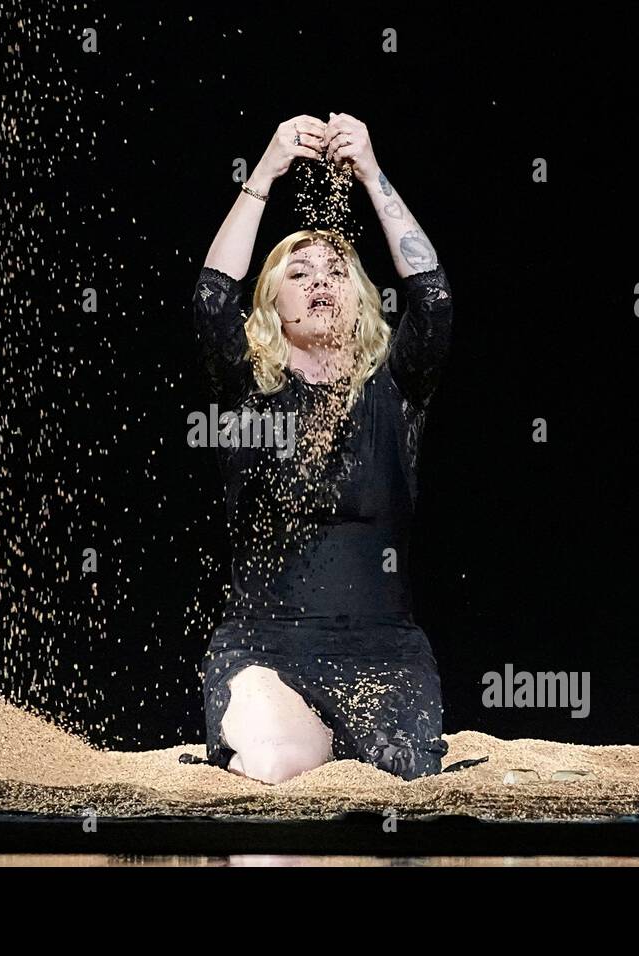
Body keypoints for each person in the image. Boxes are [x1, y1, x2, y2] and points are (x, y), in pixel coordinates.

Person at [188, 112, 454, 784]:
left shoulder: (393, 387)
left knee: (396, 782)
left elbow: (434, 295)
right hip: (267, 649)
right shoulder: (249, 389)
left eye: (336, 270)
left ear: (360, 298)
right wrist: (268, 168)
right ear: (271, 304)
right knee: (276, 768)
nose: (320, 282)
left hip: (384, 655)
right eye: (298, 273)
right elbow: (211, 296)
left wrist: (370, 171)